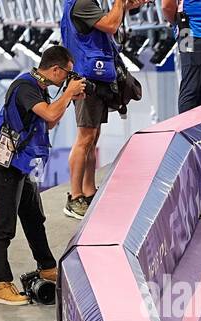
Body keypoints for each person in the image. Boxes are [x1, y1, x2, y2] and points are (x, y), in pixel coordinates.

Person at [0, 46, 85, 306]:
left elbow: (50, 121)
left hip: (23, 164)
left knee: (34, 218)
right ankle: (1, 285)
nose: (68, 78)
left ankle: (46, 267)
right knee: (3, 228)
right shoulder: (25, 87)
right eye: (67, 73)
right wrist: (68, 94)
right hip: (5, 166)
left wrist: (67, 98)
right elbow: (51, 113)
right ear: (56, 69)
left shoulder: (39, 87)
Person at [61, 0, 147, 219]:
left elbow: (108, 24)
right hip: (85, 79)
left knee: (92, 137)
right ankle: (74, 197)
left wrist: (124, 8)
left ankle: (88, 191)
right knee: (84, 138)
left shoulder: (86, 3)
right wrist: (120, 2)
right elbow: (110, 25)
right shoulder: (82, 3)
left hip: (95, 77)